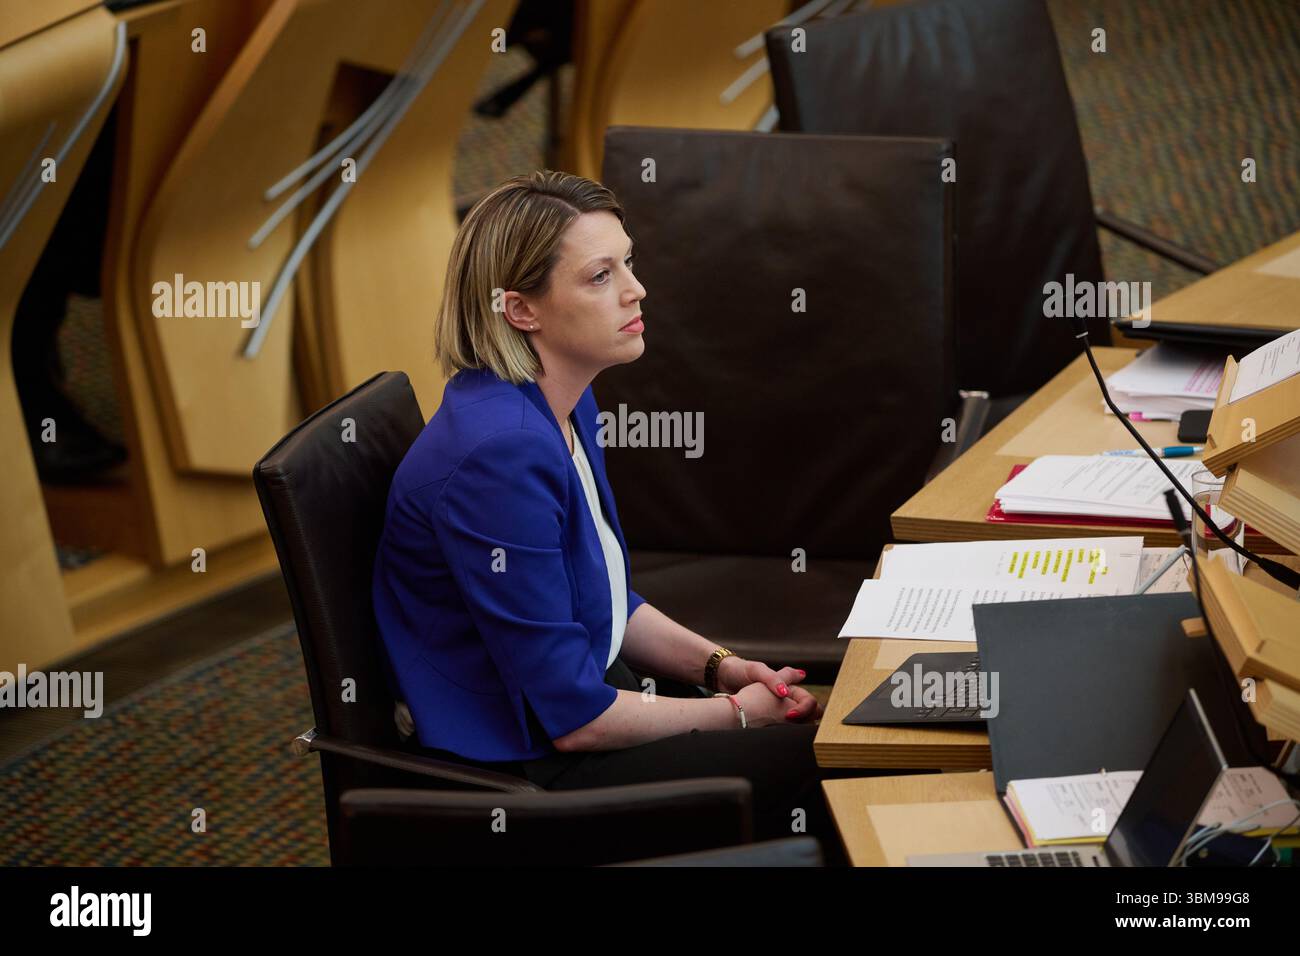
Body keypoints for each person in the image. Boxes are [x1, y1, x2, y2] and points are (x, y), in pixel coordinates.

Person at [372, 170, 854, 862]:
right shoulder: (498, 454)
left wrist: (721, 667)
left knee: (845, 741)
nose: (636, 289)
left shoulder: (560, 401)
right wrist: (738, 716)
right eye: (601, 277)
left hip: (586, 710)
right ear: (520, 310)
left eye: (628, 262)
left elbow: (605, 599)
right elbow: (573, 721)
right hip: (534, 771)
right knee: (838, 763)